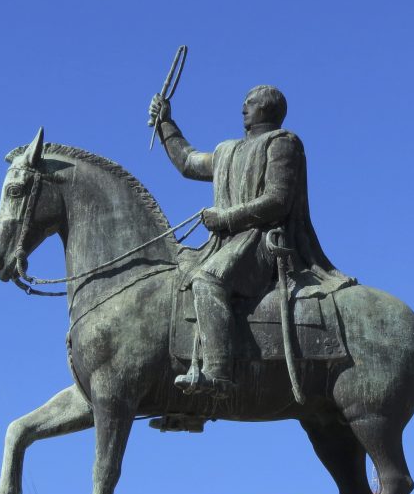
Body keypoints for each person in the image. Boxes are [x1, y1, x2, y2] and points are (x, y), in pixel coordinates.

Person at [149, 85, 351, 397]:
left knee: (207, 280)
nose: (243, 108)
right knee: (178, 272)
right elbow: (188, 162)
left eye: (251, 103)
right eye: (244, 103)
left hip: (262, 242)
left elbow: (278, 199)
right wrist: (166, 124)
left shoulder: (283, 143)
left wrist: (227, 218)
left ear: (268, 109)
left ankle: (217, 372)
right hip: (225, 243)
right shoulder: (228, 150)